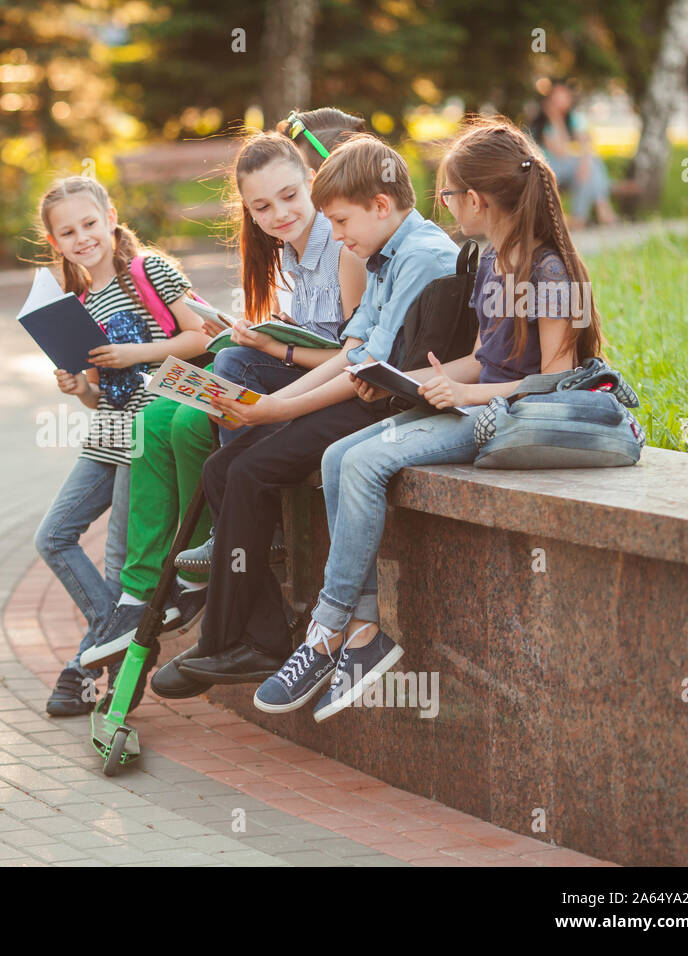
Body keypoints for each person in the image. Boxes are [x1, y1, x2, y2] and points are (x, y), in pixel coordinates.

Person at [255, 119, 602, 719]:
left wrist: (465, 396)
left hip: (508, 418)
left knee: (361, 463)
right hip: (474, 403)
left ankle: (328, 631)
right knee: (337, 455)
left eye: (447, 194)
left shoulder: (548, 270)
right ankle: (363, 635)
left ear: (478, 200)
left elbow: (557, 379)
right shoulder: (493, 260)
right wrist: (423, 382)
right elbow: (485, 359)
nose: (442, 204)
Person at [69, 111, 369, 709]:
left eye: (290, 196)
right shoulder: (286, 255)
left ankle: (217, 576)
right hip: (220, 392)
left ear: (313, 180)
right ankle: (152, 588)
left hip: (330, 393)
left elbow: (353, 355)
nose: (280, 213)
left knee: (195, 419)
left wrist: (269, 353)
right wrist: (253, 337)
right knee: (157, 426)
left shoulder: (343, 248)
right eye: (263, 208)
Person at [157, 133, 461, 697]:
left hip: (384, 406)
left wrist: (279, 407)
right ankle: (259, 637)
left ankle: (228, 643)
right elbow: (354, 348)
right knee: (222, 470)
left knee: (246, 471)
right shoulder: (385, 250)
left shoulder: (418, 254)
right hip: (362, 392)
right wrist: (274, 405)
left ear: (379, 206)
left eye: (341, 222)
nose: (338, 237)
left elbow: (367, 367)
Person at [34, 176, 209, 715]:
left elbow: (202, 335)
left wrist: (136, 353)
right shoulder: (77, 301)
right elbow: (97, 394)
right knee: (54, 536)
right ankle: (117, 646)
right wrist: (79, 386)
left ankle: (93, 672)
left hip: (148, 431)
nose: (82, 237)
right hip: (108, 430)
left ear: (110, 216)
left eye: (89, 223)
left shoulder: (147, 270)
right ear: (55, 243)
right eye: (68, 232)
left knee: (120, 564)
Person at [531, 79, 617, 229]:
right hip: (546, 169)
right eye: (557, 97)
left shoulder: (574, 119)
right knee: (590, 165)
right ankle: (600, 207)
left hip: (569, 167)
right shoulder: (543, 124)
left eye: (564, 96)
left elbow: (586, 144)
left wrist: (584, 162)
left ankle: (581, 217)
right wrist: (555, 118)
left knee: (590, 164)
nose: (561, 100)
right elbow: (561, 151)